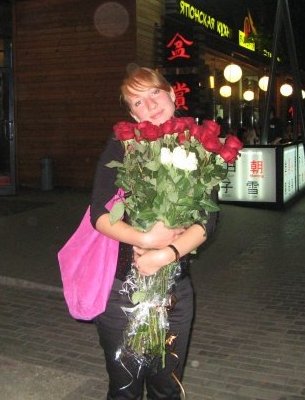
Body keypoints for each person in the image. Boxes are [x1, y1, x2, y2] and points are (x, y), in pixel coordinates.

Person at [89, 66, 217, 399]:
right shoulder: (123, 144)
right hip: (122, 292)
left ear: (172, 93)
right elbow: (99, 214)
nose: (150, 105)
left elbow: (207, 221)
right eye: (138, 102)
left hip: (175, 294)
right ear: (133, 114)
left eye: (155, 93)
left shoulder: (199, 145)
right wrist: (146, 240)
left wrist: (165, 254)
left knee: (166, 389)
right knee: (125, 390)